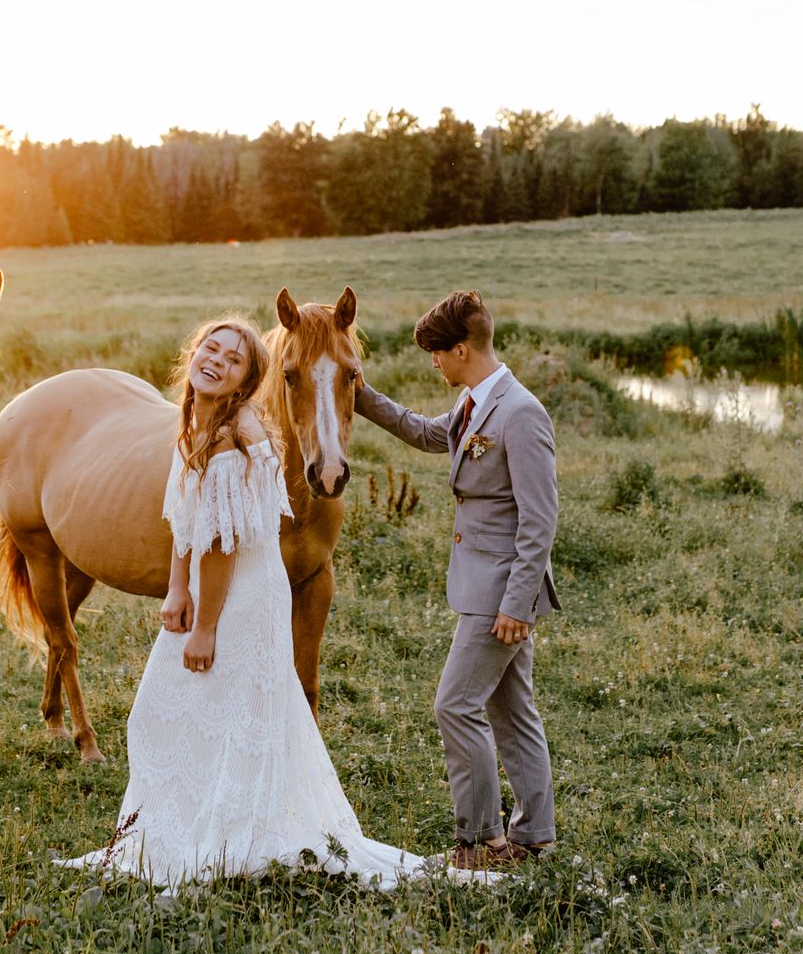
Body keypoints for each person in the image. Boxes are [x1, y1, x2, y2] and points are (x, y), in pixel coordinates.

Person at [63, 317, 490, 890]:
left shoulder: (235, 438)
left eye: (232, 359)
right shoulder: (204, 422)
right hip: (227, 591)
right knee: (214, 711)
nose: (216, 360)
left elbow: (221, 541)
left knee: (165, 715)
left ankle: (220, 841)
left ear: (247, 380)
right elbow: (187, 517)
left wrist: (203, 625)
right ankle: (197, 829)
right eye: (210, 348)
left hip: (234, 596)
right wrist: (175, 585)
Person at [353, 290, 560, 872]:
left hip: (501, 593)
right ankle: (534, 836)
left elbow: (540, 520)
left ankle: (480, 842)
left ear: (462, 349)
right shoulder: (475, 403)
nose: (433, 365)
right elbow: (423, 432)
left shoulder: (520, 414)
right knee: (512, 711)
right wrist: (360, 395)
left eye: (437, 355)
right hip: (482, 586)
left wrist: (518, 603)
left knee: (455, 705)